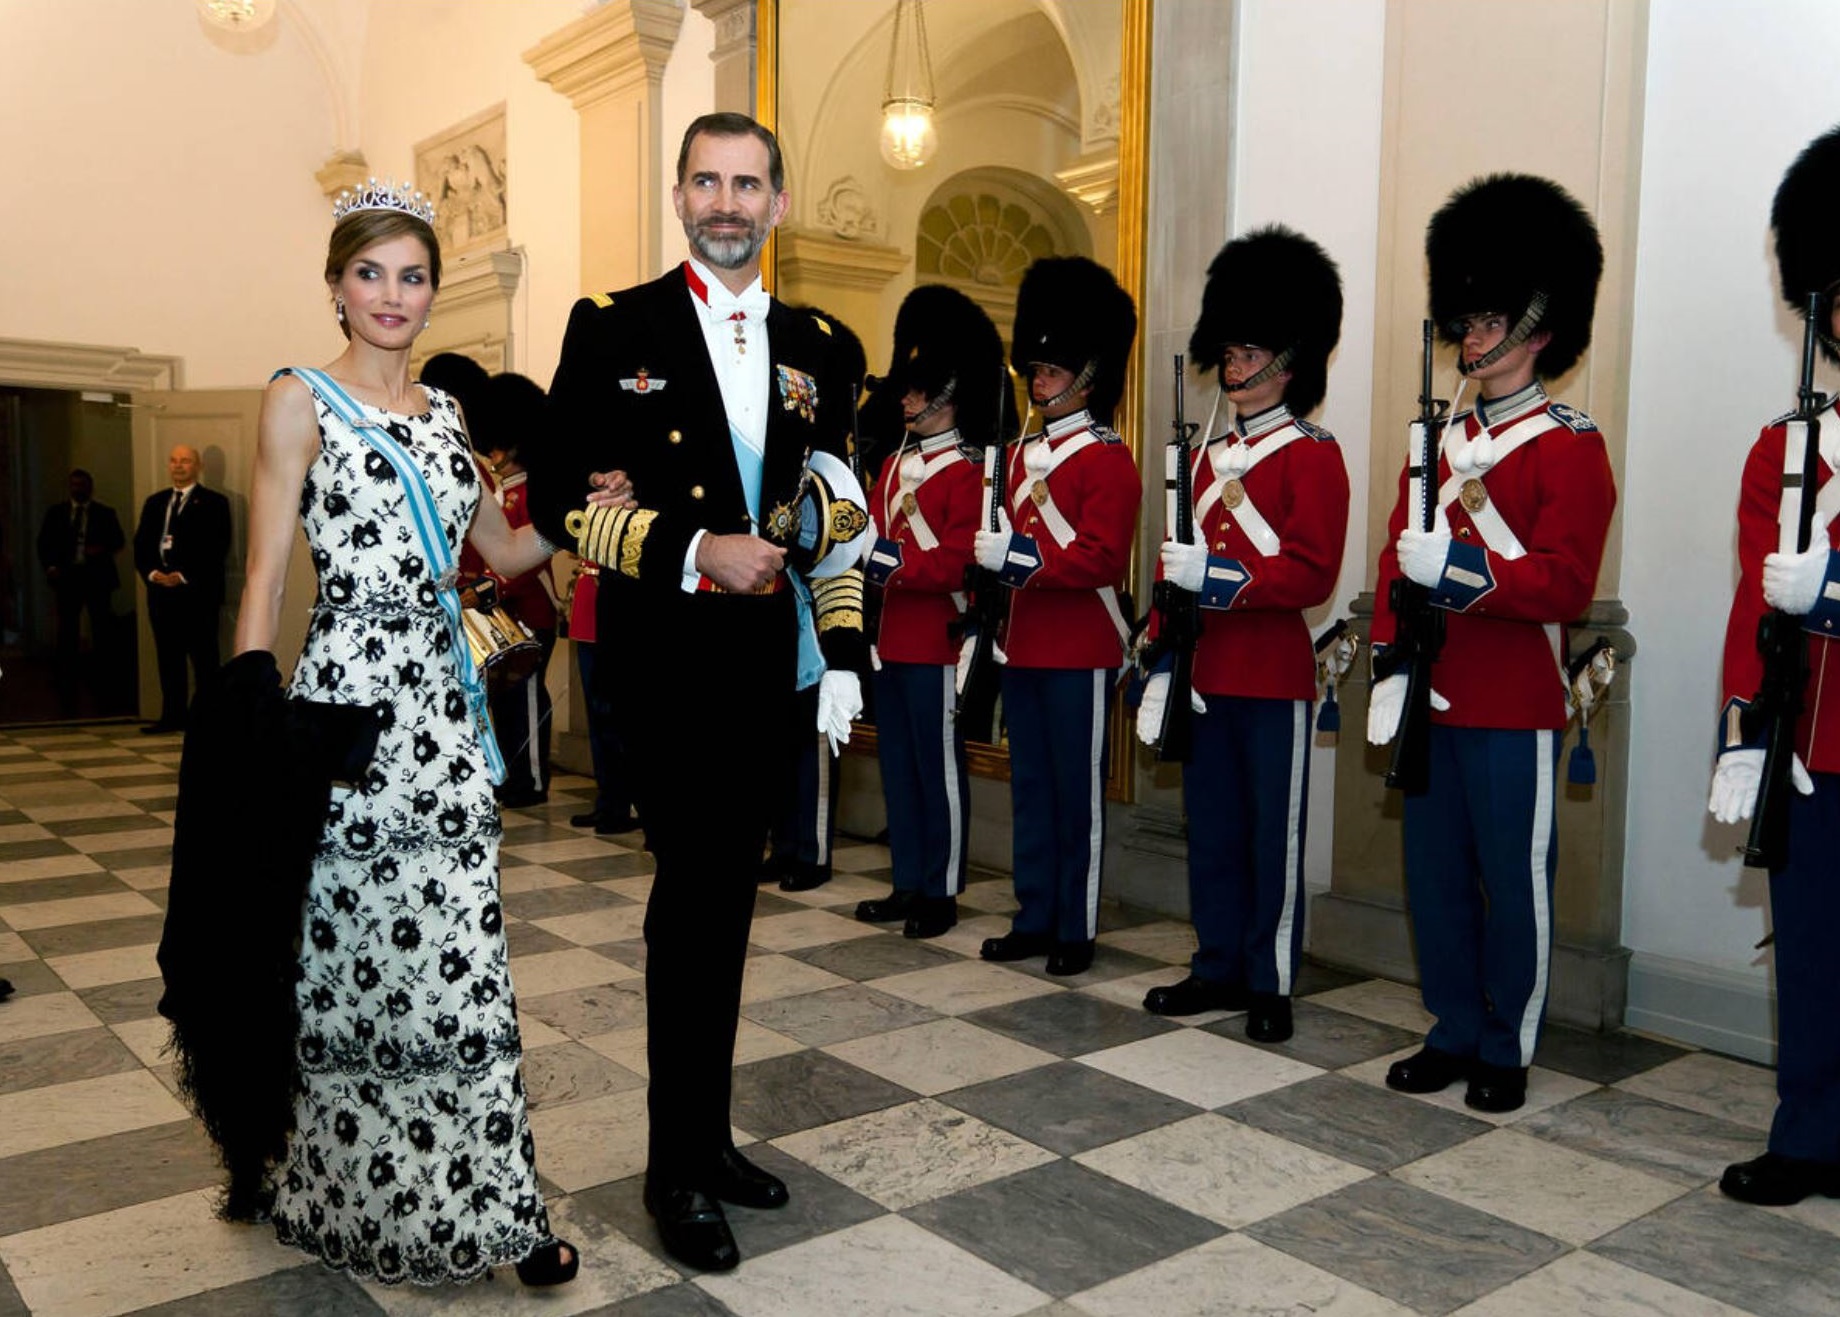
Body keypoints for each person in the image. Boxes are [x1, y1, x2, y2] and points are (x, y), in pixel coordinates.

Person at [529, 112, 869, 1273]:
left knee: (730, 900)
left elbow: (837, 505)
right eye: (707, 181)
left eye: (750, 184)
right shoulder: (612, 325)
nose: (728, 202)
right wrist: (689, 545)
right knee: (692, 900)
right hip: (666, 660)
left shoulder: (824, 345)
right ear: (678, 195)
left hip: (767, 666)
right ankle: (673, 1167)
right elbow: (562, 500)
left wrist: (845, 644)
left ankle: (708, 1139)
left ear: (779, 204)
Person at [232, 178, 578, 1287]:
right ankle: (367, 1196)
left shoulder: (447, 415)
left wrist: (588, 502)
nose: (391, 294)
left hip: (443, 703)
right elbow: (267, 569)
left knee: (466, 962)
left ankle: (495, 1205)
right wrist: (247, 711)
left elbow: (508, 554)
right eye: (370, 272)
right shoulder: (296, 399)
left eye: (412, 275)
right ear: (335, 285)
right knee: (365, 957)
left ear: (434, 294)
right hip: (349, 705)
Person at [1366, 174, 1615, 1115]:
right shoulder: (1435, 441)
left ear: (1538, 330)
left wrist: (1462, 572)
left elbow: (1565, 582)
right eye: (1464, 322)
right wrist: (1393, 659)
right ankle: (1452, 1026)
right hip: (1434, 689)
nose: (1469, 341)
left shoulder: (1569, 443)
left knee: (1514, 882)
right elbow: (1397, 559)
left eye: (1488, 323)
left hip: (1514, 697)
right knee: (1433, 876)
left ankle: (1508, 1040)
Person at [1136, 227, 1348, 1043]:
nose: (1231, 364)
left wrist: (1214, 580)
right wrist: (1160, 643)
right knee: (1214, 828)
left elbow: (1310, 575)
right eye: (1229, 348)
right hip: (1204, 667)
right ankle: (1217, 959)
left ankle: (1273, 976)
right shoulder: (1203, 457)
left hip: (1269, 671)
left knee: (1271, 835)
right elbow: (1172, 562)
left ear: (1287, 361)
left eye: (1248, 350)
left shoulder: (1312, 455)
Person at [1707, 124, 1840, 1207]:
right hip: (1808, 742)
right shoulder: (1783, 449)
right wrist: (1746, 727)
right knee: (1807, 952)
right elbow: (1755, 606)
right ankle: (1806, 1134)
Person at [973, 256, 1140, 977]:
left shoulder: (1108, 458)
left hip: (1081, 644)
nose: (1038, 383)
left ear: (1087, 375)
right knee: (1034, 790)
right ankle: (1035, 911)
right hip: (1028, 644)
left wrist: (1019, 559)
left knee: (1078, 796)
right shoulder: (1017, 457)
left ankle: (1077, 923)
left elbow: (1102, 558)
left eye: (1050, 371)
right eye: (1034, 370)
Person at [856, 285, 1010, 940]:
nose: (906, 400)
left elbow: (955, 563)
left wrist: (885, 564)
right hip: (891, 640)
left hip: (939, 640)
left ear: (947, 396)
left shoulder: (970, 470)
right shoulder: (892, 467)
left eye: (918, 392)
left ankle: (941, 889)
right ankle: (908, 879)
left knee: (938, 769)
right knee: (900, 767)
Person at [763, 308, 869, 893]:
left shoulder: (833, 460)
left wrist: (845, 653)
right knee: (780, 744)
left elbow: (840, 553)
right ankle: (785, 842)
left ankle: (814, 850)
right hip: (775, 607)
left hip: (816, 606)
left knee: (815, 744)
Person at [476, 372, 560, 809]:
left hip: (530, 610)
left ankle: (530, 780)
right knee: (507, 702)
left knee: (525, 697)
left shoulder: (530, 492)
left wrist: (487, 587)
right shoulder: (506, 491)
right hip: (507, 612)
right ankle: (512, 774)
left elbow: (529, 559)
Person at [133, 445, 231, 733]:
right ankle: (172, 715)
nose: (178, 466)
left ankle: (206, 721)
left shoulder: (215, 503)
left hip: (197, 594)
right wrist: (153, 573)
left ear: (198, 466)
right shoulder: (155, 502)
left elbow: (217, 547)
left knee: (204, 660)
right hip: (162, 595)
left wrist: (183, 575)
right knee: (168, 658)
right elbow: (141, 545)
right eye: (174, 460)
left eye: (185, 461)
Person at [36, 468, 125, 704]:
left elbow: (118, 539)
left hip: (96, 576)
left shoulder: (105, 513)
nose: (78, 489)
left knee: (101, 626)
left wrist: (100, 548)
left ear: (90, 487)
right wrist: (51, 566)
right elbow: (44, 542)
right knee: (67, 628)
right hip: (68, 577)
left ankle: (102, 676)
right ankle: (66, 677)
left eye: (82, 485)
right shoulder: (57, 513)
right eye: (74, 485)